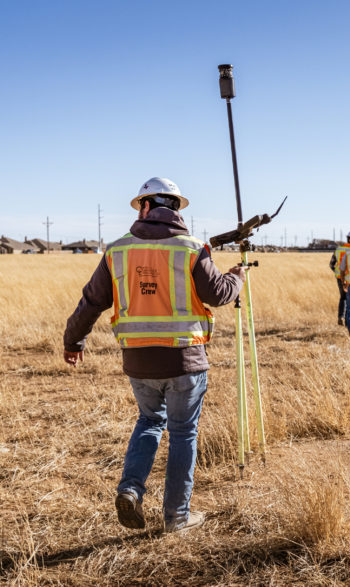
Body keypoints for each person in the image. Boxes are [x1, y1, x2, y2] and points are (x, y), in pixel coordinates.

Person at [62, 177, 247, 533]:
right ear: (176, 209)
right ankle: (177, 518)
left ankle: (131, 489)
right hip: (185, 360)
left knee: (149, 422)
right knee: (183, 435)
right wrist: (237, 276)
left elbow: (92, 302)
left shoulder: (117, 250)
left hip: (138, 361)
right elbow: (219, 294)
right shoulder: (192, 248)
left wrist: (74, 342)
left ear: (145, 206)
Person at [328, 232, 350, 325]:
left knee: (343, 297)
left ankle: (340, 317)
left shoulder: (338, 249)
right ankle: (348, 321)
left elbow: (331, 264)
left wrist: (336, 272)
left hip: (339, 277)